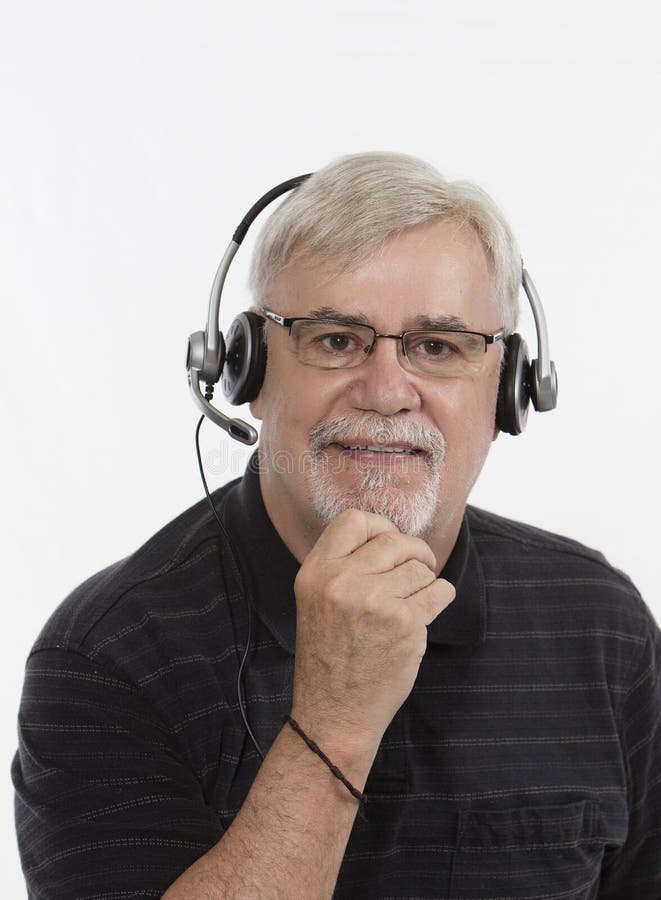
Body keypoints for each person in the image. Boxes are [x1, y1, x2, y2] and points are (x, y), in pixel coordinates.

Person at [12, 153, 661, 899]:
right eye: (334, 339)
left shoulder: (599, 624)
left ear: (511, 390)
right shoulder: (109, 655)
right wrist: (334, 729)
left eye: (438, 347)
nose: (386, 392)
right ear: (245, 372)